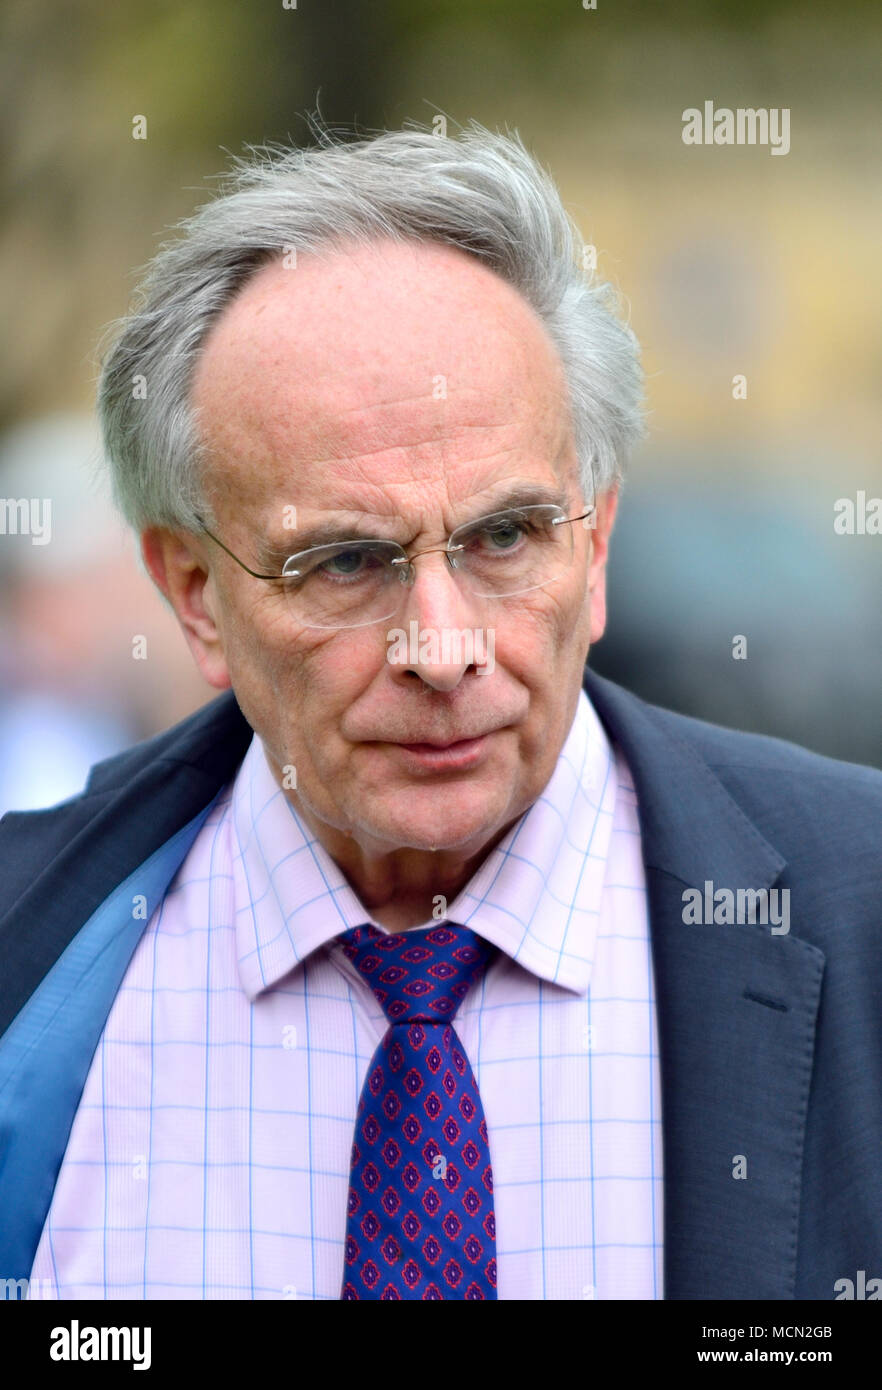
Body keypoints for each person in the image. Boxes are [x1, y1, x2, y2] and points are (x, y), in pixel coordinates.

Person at [0, 122, 879, 1302]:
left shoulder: (857, 908)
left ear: (600, 539)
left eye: (507, 536)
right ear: (196, 596)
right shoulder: (40, 960)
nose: (443, 647)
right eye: (348, 562)